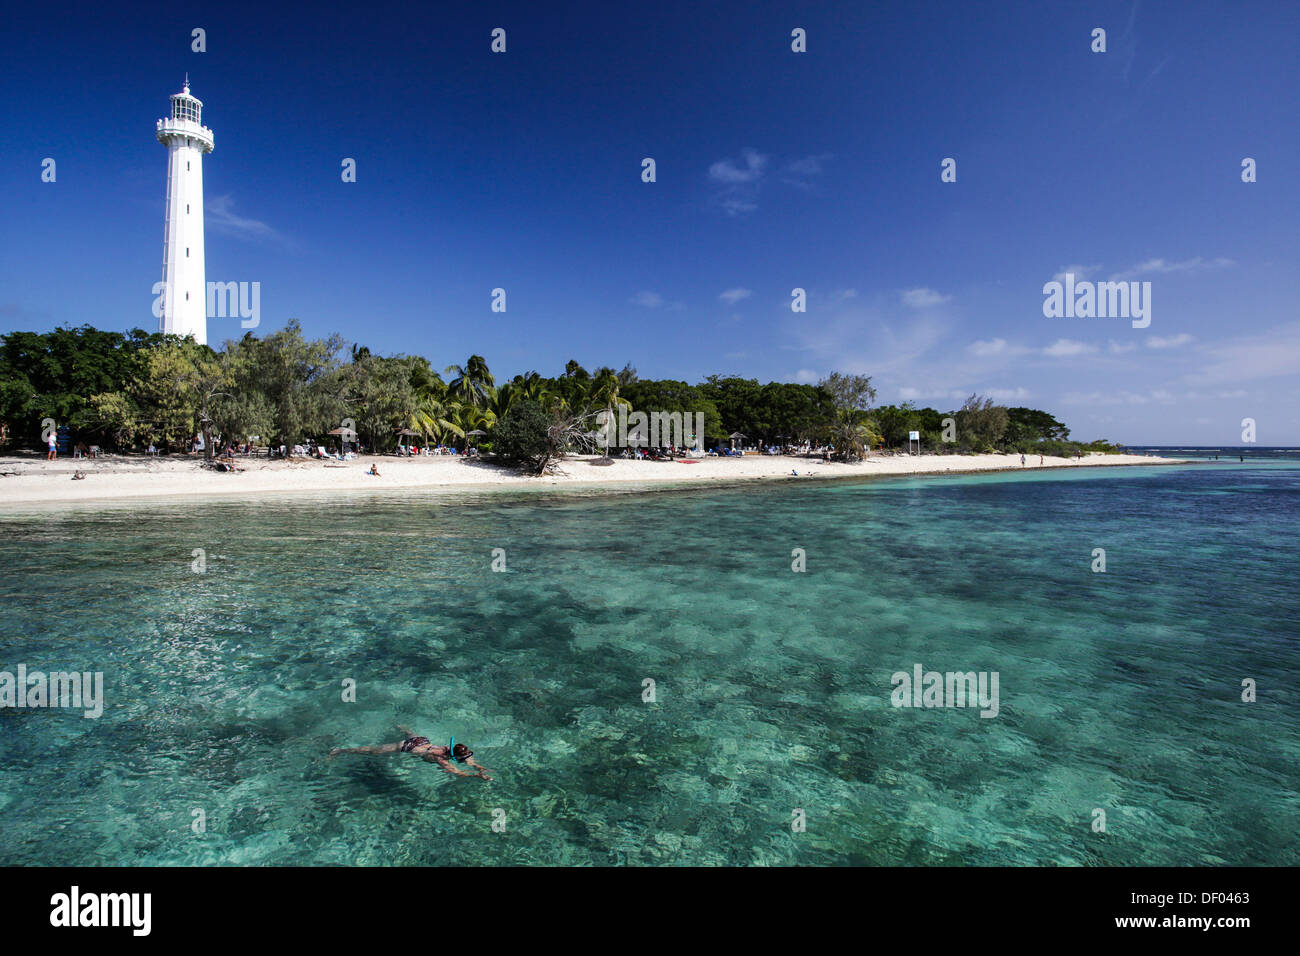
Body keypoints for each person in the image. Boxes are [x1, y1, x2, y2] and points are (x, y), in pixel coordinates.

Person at [330, 727, 491, 780]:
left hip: (421, 741)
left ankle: (398, 726)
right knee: (372, 751)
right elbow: (458, 772)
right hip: (408, 747)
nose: (468, 758)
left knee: (408, 732)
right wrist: (476, 776)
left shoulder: (447, 749)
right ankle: (340, 750)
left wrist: (479, 767)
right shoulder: (441, 759)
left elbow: (468, 760)